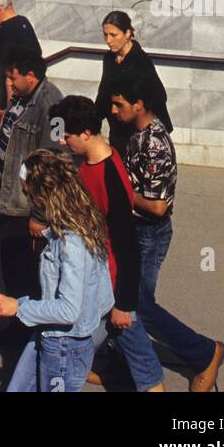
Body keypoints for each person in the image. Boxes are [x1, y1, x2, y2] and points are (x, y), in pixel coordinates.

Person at [111, 72, 224, 393]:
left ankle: (205, 353)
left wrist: (119, 192)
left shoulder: (156, 145)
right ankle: (129, 358)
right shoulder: (136, 131)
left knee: (138, 305)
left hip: (148, 233)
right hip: (134, 229)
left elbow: (158, 207)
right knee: (129, 301)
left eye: (119, 105)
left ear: (139, 104)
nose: (113, 111)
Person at [50, 95, 165, 392]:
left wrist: (123, 304)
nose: (63, 142)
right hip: (101, 280)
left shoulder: (109, 175)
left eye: (68, 136)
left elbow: (127, 244)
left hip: (111, 287)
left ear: (86, 134)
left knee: (143, 362)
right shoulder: (95, 160)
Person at [0, 149, 114, 392]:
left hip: (64, 347)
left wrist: (17, 307)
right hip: (54, 336)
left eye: (29, 194)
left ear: (42, 195)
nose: (29, 201)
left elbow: (68, 310)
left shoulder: (72, 243)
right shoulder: (82, 219)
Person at [0, 50, 63, 327]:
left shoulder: (51, 104)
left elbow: (50, 163)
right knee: (11, 263)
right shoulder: (24, 97)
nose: (9, 83)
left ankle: (21, 328)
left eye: (13, 77)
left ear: (32, 76)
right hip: (10, 198)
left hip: (26, 206)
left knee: (22, 270)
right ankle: (16, 325)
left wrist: (39, 215)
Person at [93, 12, 171, 158]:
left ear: (127, 33)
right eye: (105, 35)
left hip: (139, 132)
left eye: (113, 35)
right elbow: (104, 93)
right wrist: (91, 122)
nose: (108, 40)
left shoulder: (141, 61)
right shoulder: (109, 59)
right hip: (117, 129)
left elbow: (159, 96)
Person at [0, 0, 43, 108]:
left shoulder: (7, 30)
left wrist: (10, 108)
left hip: (14, 100)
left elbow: (9, 75)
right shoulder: (23, 22)